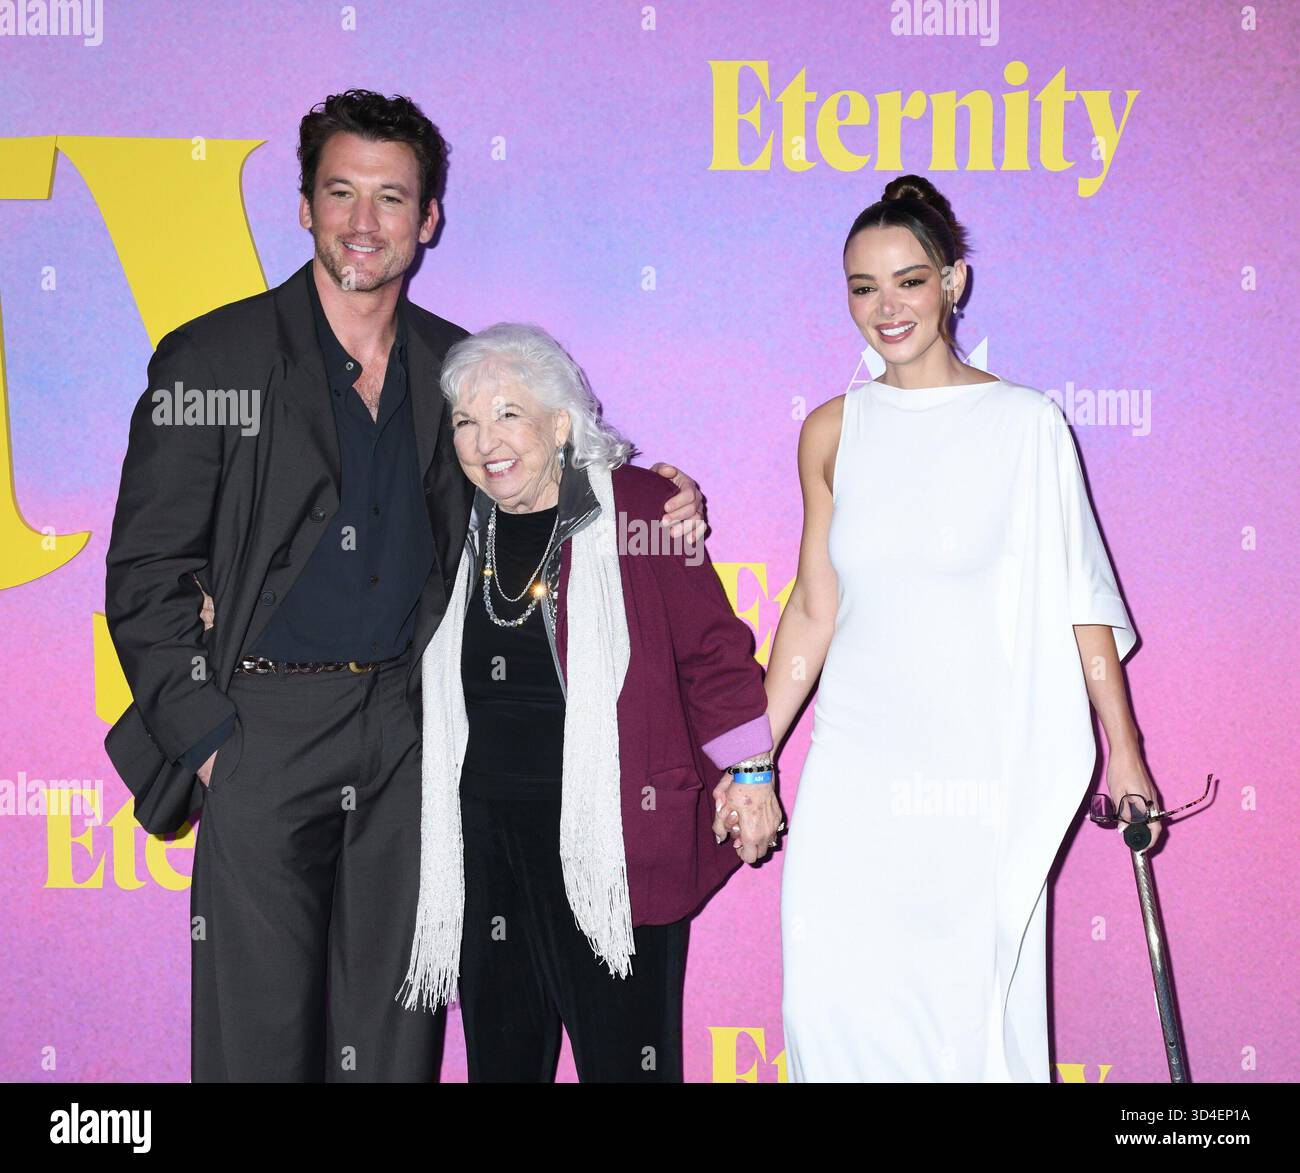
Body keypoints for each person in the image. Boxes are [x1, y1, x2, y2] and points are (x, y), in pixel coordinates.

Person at [102, 90, 705, 1082]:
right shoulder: (212, 358)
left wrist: (650, 490)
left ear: (428, 219)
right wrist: (211, 743)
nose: (362, 222)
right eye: (340, 192)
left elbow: (531, 476)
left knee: (397, 1028)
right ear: (304, 205)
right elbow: (146, 574)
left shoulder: (451, 367)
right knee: (256, 1036)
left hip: (410, 729)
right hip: (260, 721)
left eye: (391, 198)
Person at [762, 174, 1157, 1081]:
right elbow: (813, 608)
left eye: (909, 279)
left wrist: (1125, 752)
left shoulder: (1025, 425)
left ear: (954, 281)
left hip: (976, 779)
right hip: (855, 777)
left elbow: (1081, 606)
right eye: (863, 287)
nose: (885, 306)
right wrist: (755, 754)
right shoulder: (831, 429)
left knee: (963, 1026)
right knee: (834, 1009)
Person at [397, 323, 778, 1082]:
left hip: (614, 842)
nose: (485, 441)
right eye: (466, 421)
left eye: (508, 413)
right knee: (503, 1066)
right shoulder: (448, 523)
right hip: (485, 848)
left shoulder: (640, 508)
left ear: (562, 422)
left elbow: (713, 652)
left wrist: (753, 773)